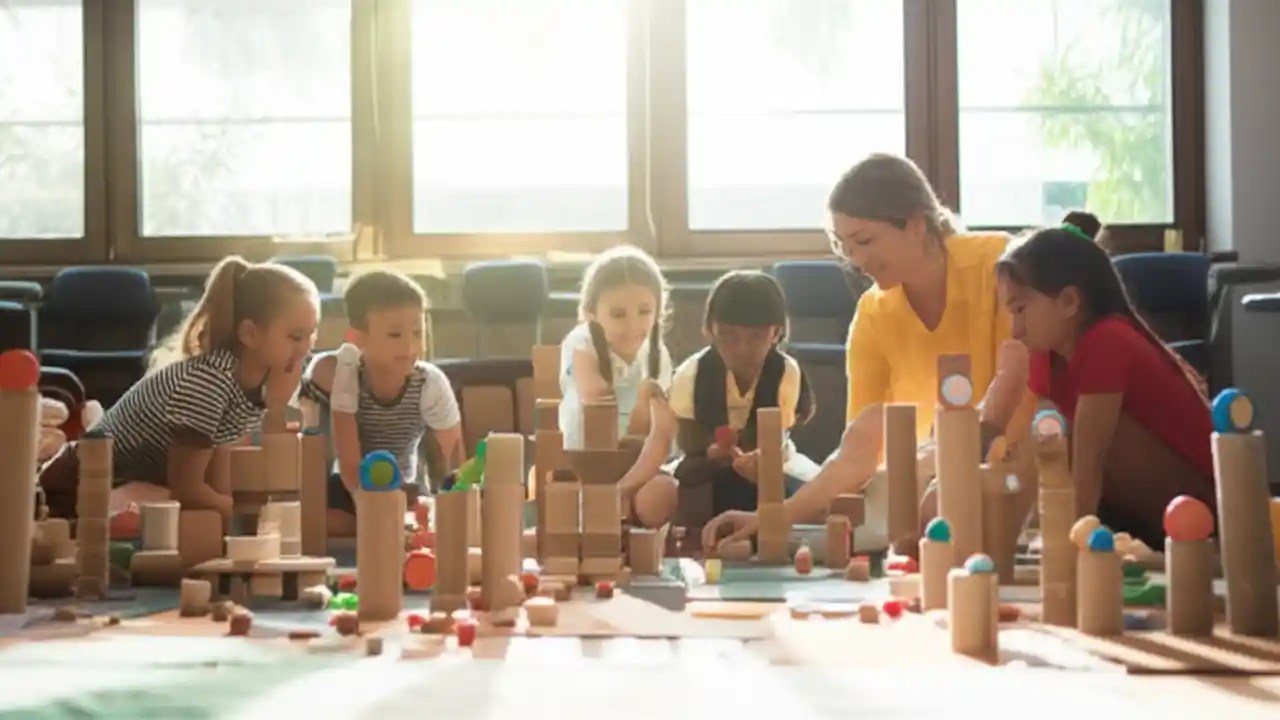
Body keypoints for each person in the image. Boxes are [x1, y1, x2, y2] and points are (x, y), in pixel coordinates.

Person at [701, 152, 1032, 551]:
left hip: (1016, 467)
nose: (856, 260)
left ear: (914, 224)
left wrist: (948, 459)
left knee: (937, 485)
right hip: (924, 478)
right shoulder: (874, 314)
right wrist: (774, 515)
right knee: (880, 458)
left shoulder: (998, 265)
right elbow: (861, 450)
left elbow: (1021, 393)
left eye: (864, 241)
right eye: (845, 247)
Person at [39, 256, 320, 522]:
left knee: (206, 519)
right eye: (295, 336)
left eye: (311, 334)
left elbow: (215, 474)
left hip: (138, 483)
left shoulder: (245, 386)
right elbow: (188, 488)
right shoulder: (209, 383)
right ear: (250, 334)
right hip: (77, 485)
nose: (306, 348)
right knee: (187, 519)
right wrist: (236, 511)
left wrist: (275, 404)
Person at [996, 215, 1215, 546]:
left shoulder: (1108, 340)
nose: (1015, 330)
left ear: (1069, 302)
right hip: (1134, 509)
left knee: (1085, 431)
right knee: (1046, 434)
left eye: (1021, 310)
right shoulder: (1045, 354)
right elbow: (1043, 451)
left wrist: (1069, 541)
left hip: (1199, 509)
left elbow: (1090, 454)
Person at [299, 270, 462, 536]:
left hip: (402, 487)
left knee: (425, 512)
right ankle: (389, 528)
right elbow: (350, 465)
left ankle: (396, 527)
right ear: (358, 339)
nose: (409, 347)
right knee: (315, 519)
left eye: (417, 332)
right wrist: (374, 516)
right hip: (348, 487)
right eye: (395, 335)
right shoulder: (342, 373)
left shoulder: (429, 382)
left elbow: (454, 461)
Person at [670, 271, 816, 518]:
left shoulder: (786, 372)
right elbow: (686, 435)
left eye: (756, 337)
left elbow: (779, 431)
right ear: (709, 330)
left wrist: (759, 456)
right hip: (704, 463)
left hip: (771, 457)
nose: (742, 348)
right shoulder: (690, 373)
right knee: (671, 494)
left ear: (776, 333)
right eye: (729, 336)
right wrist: (711, 450)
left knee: (812, 495)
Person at [559, 244, 678, 528]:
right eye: (618, 314)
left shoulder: (657, 355)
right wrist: (641, 397)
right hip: (586, 460)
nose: (633, 324)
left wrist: (624, 487)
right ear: (592, 313)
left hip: (636, 464)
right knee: (573, 502)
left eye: (644, 311)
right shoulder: (580, 343)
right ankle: (607, 513)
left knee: (662, 494)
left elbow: (657, 433)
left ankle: (624, 512)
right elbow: (596, 397)